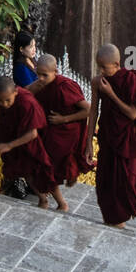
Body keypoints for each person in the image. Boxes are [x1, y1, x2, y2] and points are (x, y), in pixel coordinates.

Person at [85, 43, 136, 228]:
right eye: (98, 66)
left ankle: (119, 222)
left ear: (117, 64)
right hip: (108, 138)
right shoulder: (97, 82)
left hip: (127, 141)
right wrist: (88, 143)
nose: (101, 71)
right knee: (105, 183)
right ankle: (113, 221)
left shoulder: (131, 80)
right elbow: (93, 111)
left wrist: (111, 94)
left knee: (125, 183)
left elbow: (133, 114)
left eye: (104, 67)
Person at [0, 76, 56, 207]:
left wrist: (8, 145)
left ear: (16, 92)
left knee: (28, 170)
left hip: (25, 136)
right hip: (8, 129)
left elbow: (33, 133)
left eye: (8, 100)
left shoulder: (27, 103)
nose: (5, 104)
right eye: (0, 101)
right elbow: (4, 116)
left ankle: (46, 200)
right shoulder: (6, 98)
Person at [27, 54, 91, 210]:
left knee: (45, 165)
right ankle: (46, 199)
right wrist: (32, 87)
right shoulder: (39, 85)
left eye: (45, 75)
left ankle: (61, 203)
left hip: (66, 130)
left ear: (55, 71)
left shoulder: (65, 86)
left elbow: (88, 109)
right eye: (38, 74)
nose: (41, 78)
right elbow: (22, 96)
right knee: (34, 161)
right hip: (49, 128)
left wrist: (64, 119)